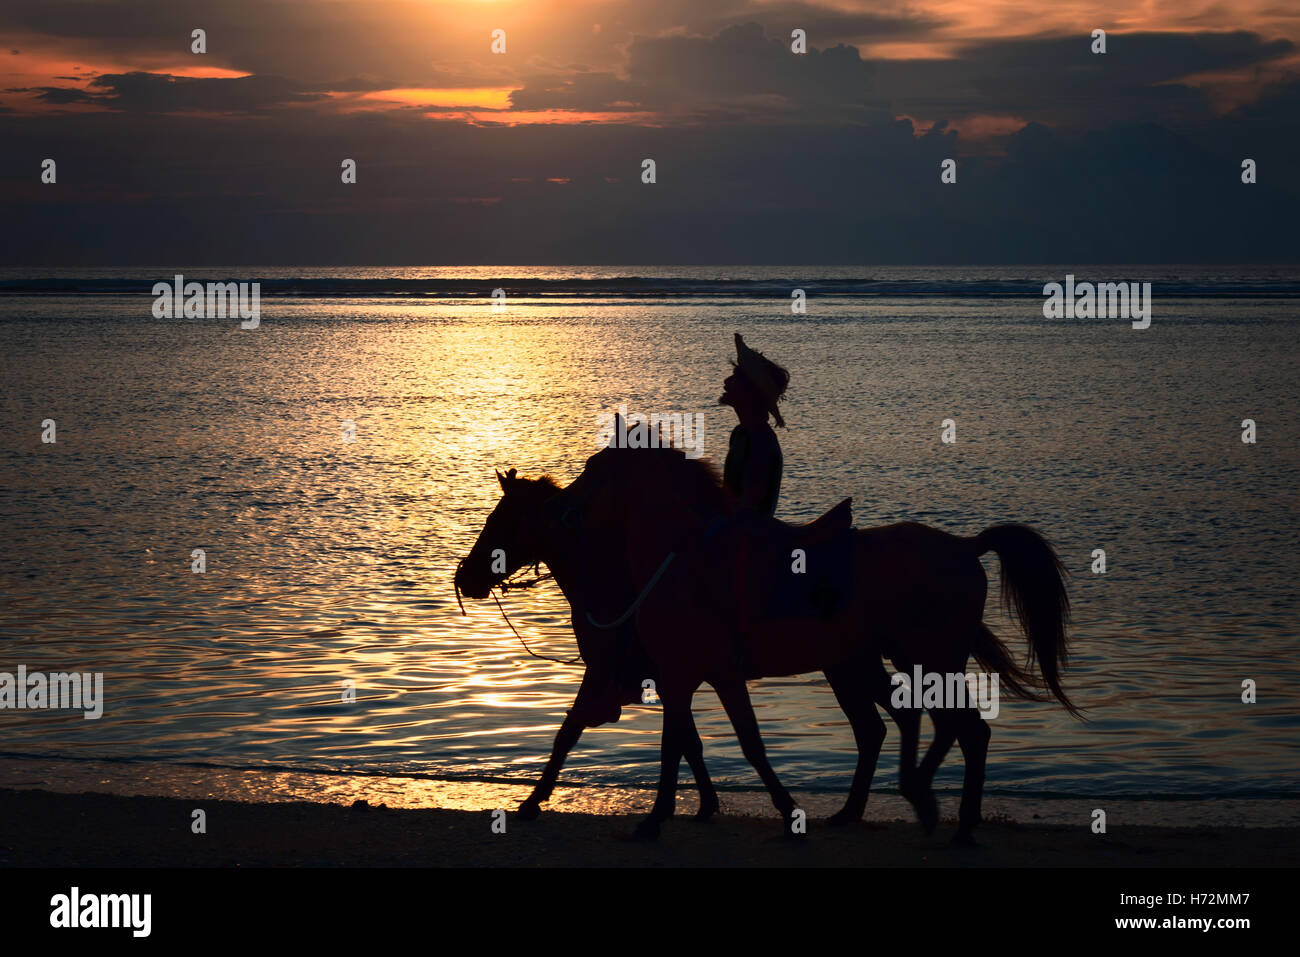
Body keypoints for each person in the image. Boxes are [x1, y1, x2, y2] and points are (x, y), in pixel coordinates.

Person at [720, 333, 789, 517]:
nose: (726, 382)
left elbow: (748, 508)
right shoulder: (741, 433)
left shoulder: (761, 442)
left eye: (736, 378)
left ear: (752, 392)